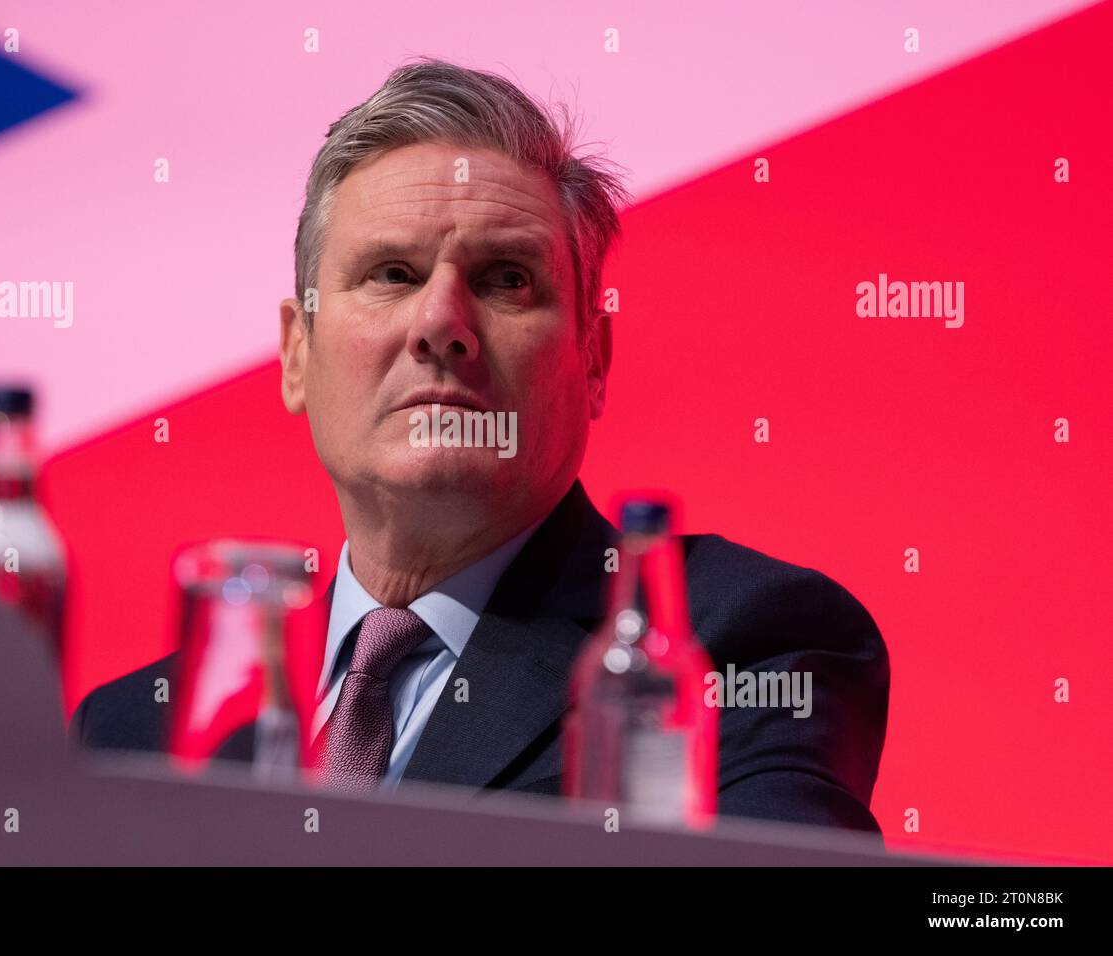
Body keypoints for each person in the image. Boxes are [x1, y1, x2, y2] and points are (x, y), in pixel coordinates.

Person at [71, 57, 889, 834]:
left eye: (506, 280)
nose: (440, 325)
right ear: (296, 355)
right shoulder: (128, 736)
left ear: (593, 358)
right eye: (392, 273)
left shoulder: (725, 647)